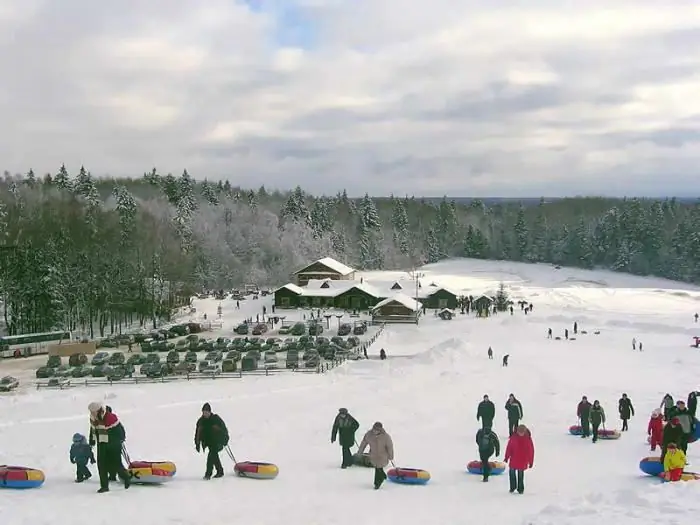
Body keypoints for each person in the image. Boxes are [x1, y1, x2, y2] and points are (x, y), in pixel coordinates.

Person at [88, 402, 131, 493]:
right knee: (101, 465)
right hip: (102, 443)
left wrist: (120, 439)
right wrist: (92, 440)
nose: (92, 413)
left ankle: (126, 477)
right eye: (91, 411)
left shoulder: (110, 417)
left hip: (113, 443)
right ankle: (104, 486)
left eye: (93, 411)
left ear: (98, 410)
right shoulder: (93, 418)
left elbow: (120, 430)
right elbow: (93, 429)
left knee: (116, 463)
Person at [194, 402, 229, 480]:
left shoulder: (216, 419)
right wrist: (197, 443)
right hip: (208, 442)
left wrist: (225, 439)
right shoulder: (201, 421)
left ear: (210, 412)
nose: (205, 414)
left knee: (211, 455)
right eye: (203, 412)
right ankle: (220, 471)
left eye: (206, 412)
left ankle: (208, 474)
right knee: (214, 456)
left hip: (217, 442)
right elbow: (197, 433)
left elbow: (224, 430)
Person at [358, 422, 394, 490]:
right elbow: (364, 443)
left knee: (378, 468)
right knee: (377, 467)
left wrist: (390, 455)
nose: (375, 431)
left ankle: (377, 483)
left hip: (382, 455)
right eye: (374, 429)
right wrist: (360, 452)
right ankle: (382, 476)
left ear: (380, 430)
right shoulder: (369, 434)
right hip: (373, 454)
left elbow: (390, 447)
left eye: (377, 430)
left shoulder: (385, 436)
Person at [504, 424, 534, 494]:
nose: (520, 434)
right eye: (519, 432)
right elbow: (509, 448)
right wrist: (506, 457)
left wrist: (530, 461)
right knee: (512, 473)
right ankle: (512, 487)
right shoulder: (513, 437)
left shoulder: (528, 439)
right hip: (514, 459)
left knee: (520, 475)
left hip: (522, 460)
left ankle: (520, 489)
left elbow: (531, 451)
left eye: (522, 432)